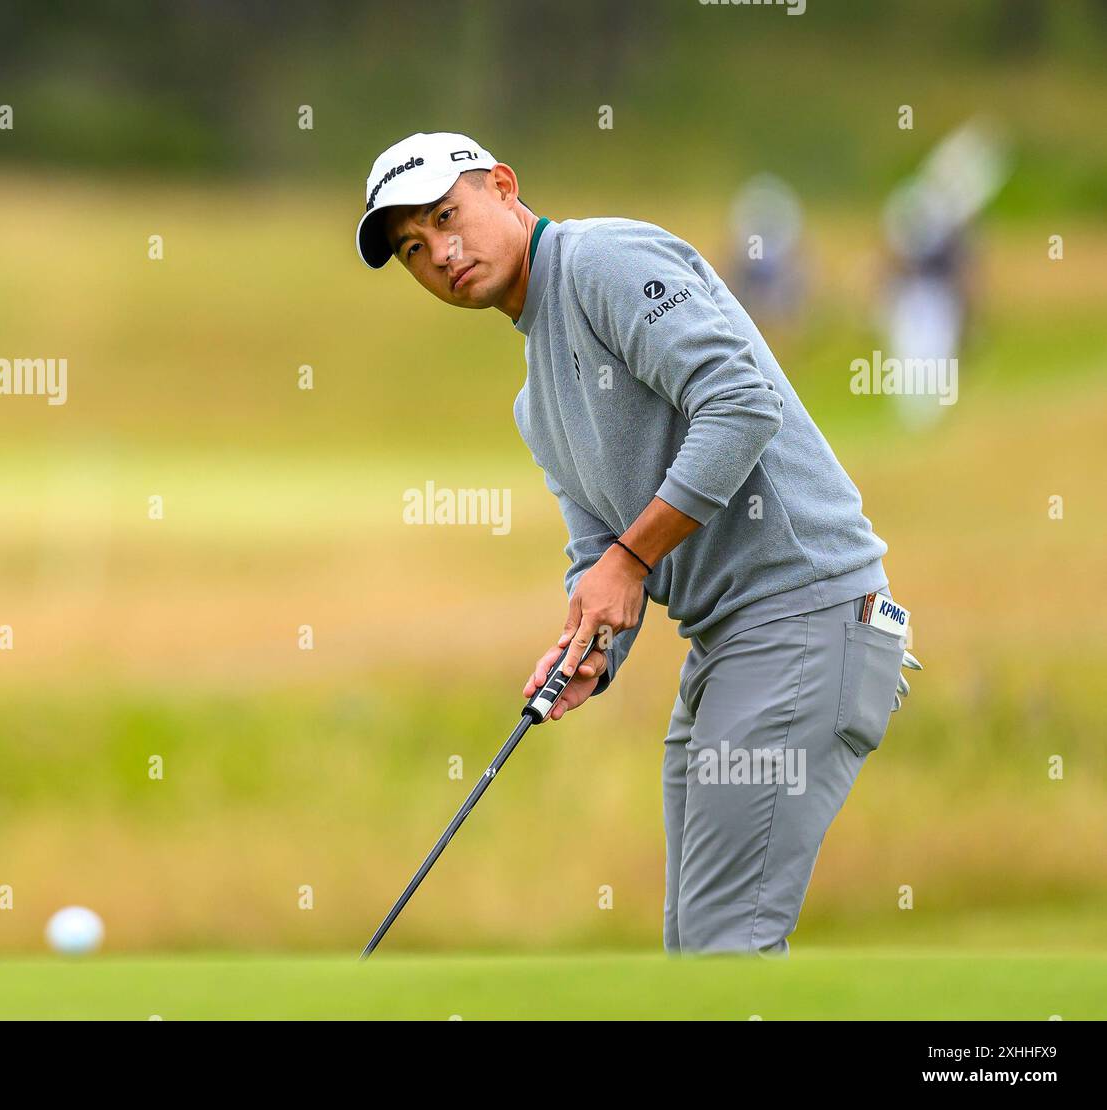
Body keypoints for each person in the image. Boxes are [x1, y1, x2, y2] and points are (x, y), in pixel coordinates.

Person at [355, 132, 921, 956]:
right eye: (412, 248)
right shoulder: (535, 405)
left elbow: (741, 404)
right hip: (732, 644)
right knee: (693, 955)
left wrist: (628, 561)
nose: (440, 254)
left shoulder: (601, 262)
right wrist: (592, 647)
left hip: (806, 615)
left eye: (446, 217)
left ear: (503, 186)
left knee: (725, 948)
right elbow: (601, 553)